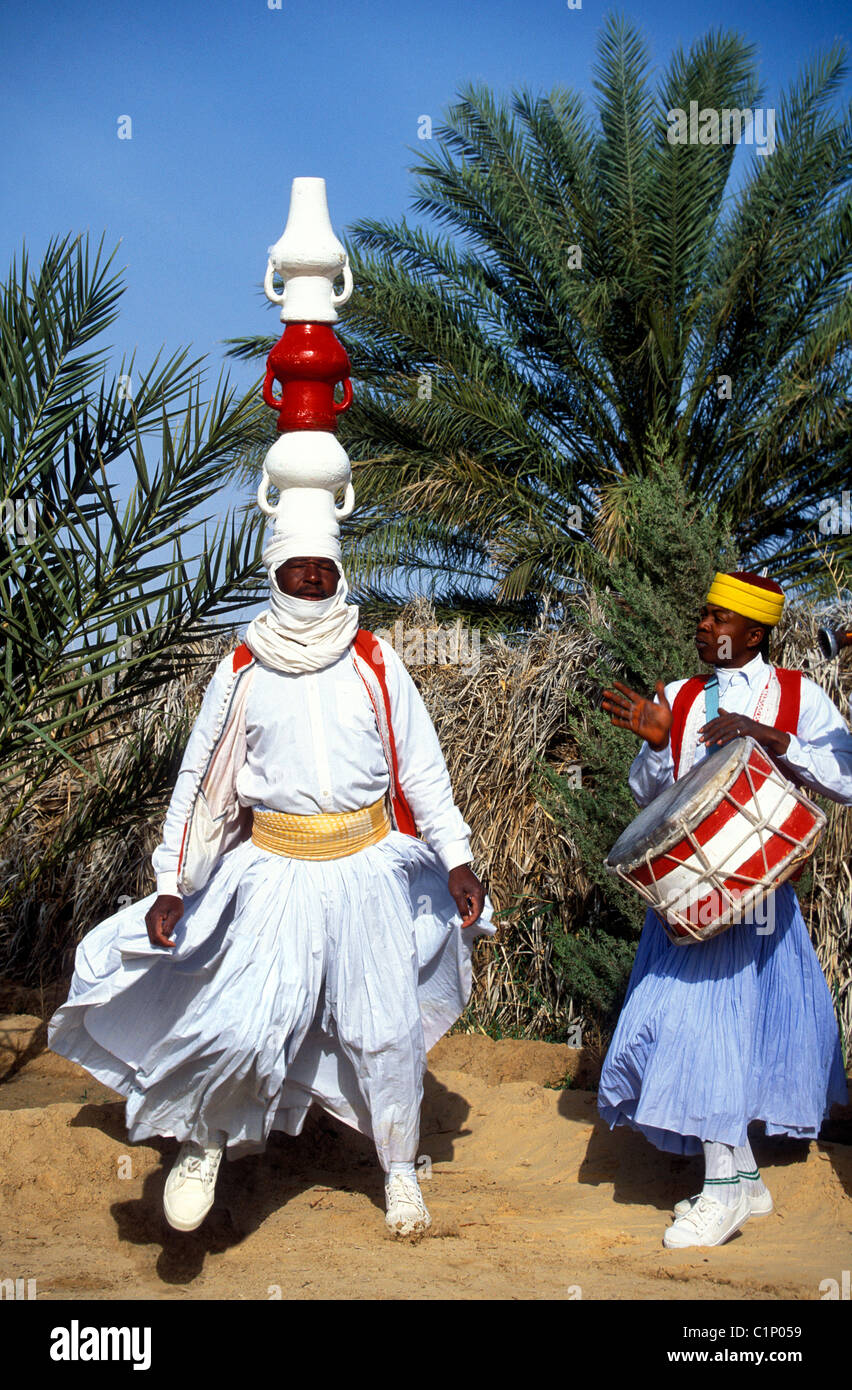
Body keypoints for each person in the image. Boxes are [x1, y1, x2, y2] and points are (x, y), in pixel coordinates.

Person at [48, 535, 491, 1238]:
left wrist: (457, 856)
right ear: (277, 575)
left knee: (384, 1029)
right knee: (242, 1020)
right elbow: (196, 783)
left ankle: (400, 1172)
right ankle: (203, 1144)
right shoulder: (242, 668)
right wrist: (170, 880)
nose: (312, 578)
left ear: (338, 574)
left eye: (324, 566)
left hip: (367, 865)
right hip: (274, 868)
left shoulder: (376, 660)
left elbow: (424, 769)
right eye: (298, 566)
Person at [599, 571, 851, 1249]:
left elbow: (846, 779)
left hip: (761, 904)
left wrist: (776, 740)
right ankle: (739, 1180)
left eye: (718, 619)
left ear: (756, 632)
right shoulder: (679, 697)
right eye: (704, 617)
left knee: (713, 1034)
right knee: (699, 1032)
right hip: (687, 902)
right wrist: (656, 744)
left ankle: (721, 1192)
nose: (704, 627)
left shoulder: (799, 697)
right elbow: (656, 801)